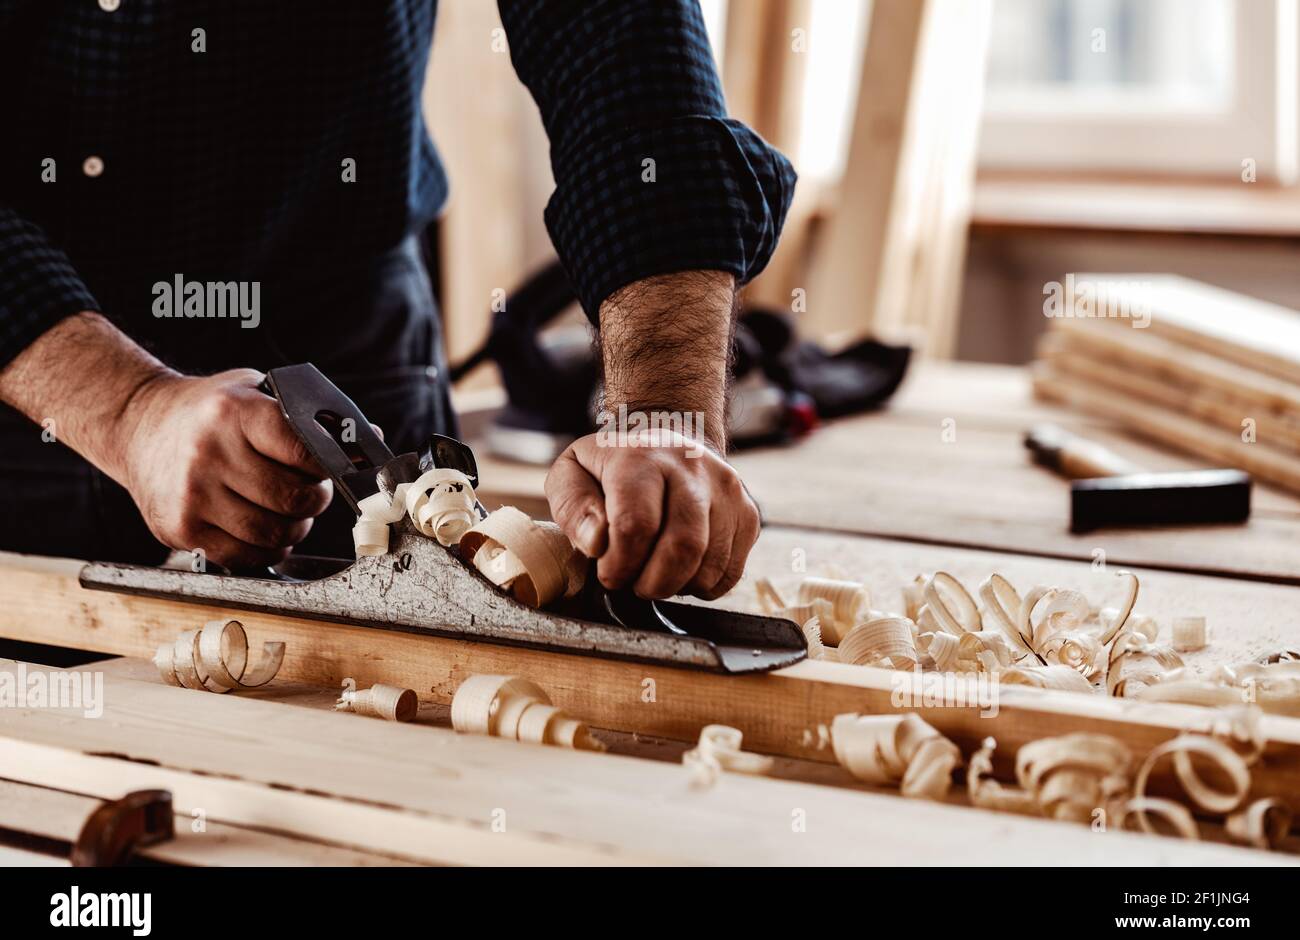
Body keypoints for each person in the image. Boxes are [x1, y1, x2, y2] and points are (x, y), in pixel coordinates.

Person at [0, 0, 794, 601]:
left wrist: (663, 417)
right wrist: (130, 407)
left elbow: (625, 48)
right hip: (25, 383)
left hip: (341, 343)